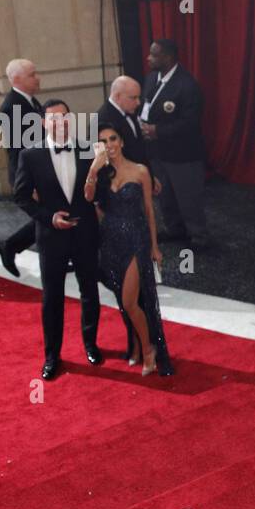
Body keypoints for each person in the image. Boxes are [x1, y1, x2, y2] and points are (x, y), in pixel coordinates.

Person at [13, 99, 103, 381]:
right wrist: (49, 217)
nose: (60, 123)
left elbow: (100, 190)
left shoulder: (88, 149)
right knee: (52, 297)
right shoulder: (30, 155)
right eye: (53, 118)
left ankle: (91, 344)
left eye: (64, 117)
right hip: (51, 237)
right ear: (43, 123)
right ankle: (53, 356)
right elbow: (21, 196)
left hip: (85, 233)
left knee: (90, 290)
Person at [85, 122, 173, 376]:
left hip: (137, 240)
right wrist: (93, 168)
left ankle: (148, 348)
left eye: (113, 139)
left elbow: (149, 211)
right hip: (110, 242)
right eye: (103, 142)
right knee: (125, 302)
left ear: (121, 142)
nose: (109, 145)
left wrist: (155, 247)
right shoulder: (100, 174)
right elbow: (89, 198)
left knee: (129, 301)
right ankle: (134, 344)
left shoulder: (140, 171)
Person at [139, 39, 208, 248]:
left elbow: (190, 123)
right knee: (165, 194)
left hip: (183, 153)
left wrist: (157, 130)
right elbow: (146, 106)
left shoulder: (187, 85)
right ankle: (174, 228)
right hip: (158, 151)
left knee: (188, 195)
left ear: (167, 57)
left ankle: (198, 235)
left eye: (153, 54)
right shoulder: (151, 79)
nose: (148, 58)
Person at [0, 58, 44, 276]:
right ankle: (10, 246)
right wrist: (29, 183)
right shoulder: (12, 107)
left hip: (39, 172)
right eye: (32, 75)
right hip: (30, 175)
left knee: (48, 217)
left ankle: (10, 246)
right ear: (16, 79)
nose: (37, 78)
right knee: (47, 218)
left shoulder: (29, 101)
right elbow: (18, 150)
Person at [97, 75, 160, 194]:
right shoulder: (101, 119)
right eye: (133, 98)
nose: (138, 102)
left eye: (138, 97)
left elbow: (139, 149)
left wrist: (149, 177)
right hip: (120, 190)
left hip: (138, 180)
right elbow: (101, 162)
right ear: (118, 96)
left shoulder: (128, 111)